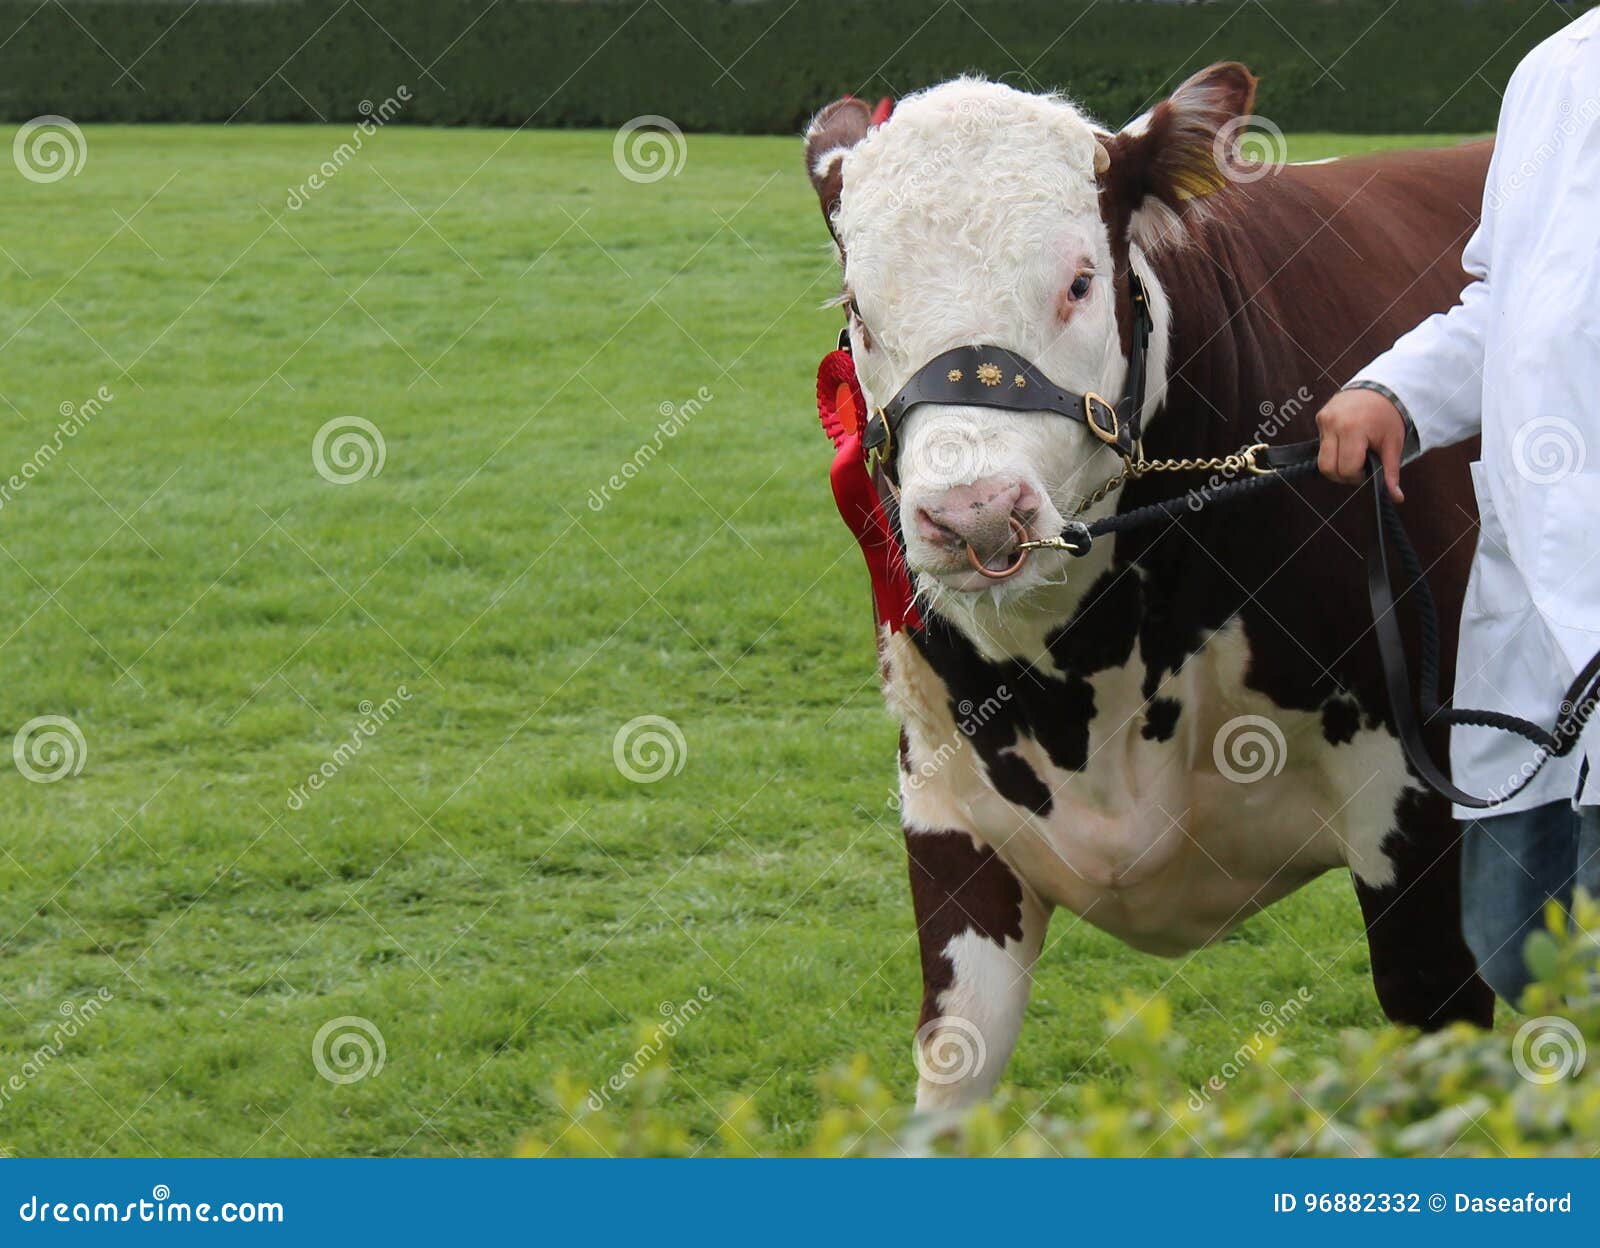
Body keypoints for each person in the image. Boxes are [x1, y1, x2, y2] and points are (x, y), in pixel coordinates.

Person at [1315, 8, 1600, 1006]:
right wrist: (1393, 391)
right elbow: (1506, 303)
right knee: (1514, 962)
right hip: (1529, 651)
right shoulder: (1555, 70)